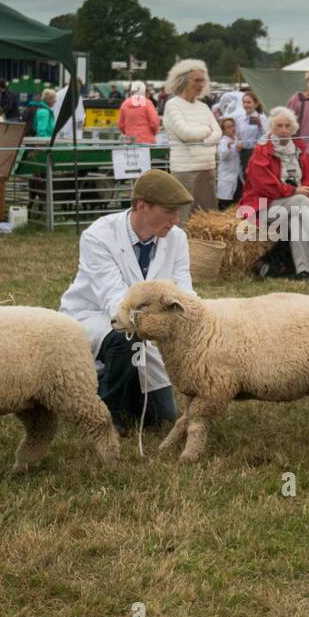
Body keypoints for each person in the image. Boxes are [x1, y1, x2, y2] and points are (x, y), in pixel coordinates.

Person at [59, 169, 194, 433]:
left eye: (177, 212)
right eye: (169, 211)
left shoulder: (177, 238)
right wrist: (159, 322)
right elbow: (115, 302)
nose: (176, 220)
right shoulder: (98, 235)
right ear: (142, 206)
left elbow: (185, 293)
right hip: (96, 317)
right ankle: (107, 417)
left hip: (149, 328)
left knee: (164, 416)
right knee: (125, 337)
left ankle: (116, 384)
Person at [238, 106, 309, 279]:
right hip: (264, 206)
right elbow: (263, 185)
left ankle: (304, 272)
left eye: (288, 126)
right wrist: (294, 190)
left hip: (295, 207)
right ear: (271, 128)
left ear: (293, 128)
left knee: (297, 218)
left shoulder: (300, 151)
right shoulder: (261, 152)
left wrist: (308, 193)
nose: (284, 130)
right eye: (279, 126)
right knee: (300, 201)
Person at [162, 58, 222, 221]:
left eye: (203, 80)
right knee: (184, 217)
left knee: (208, 218)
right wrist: (206, 132)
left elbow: (218, 132)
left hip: (207, 168)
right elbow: (185, 133)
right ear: (182, 81)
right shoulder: (173, 105)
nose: (201, 84)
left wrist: (204, 140)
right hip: (185, 171)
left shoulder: (203, 107)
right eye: (196, 80)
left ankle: (206, 247)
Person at [216, 117, 241, 209]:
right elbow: (223, 156)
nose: (232, 128)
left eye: (233, 126)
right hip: (226, 175)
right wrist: (228, 147)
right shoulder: (223, 141)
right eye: (229, 127)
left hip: (236, 175)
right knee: (225, 201)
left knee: (237, 198)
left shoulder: (236, 139)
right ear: (223, 130)